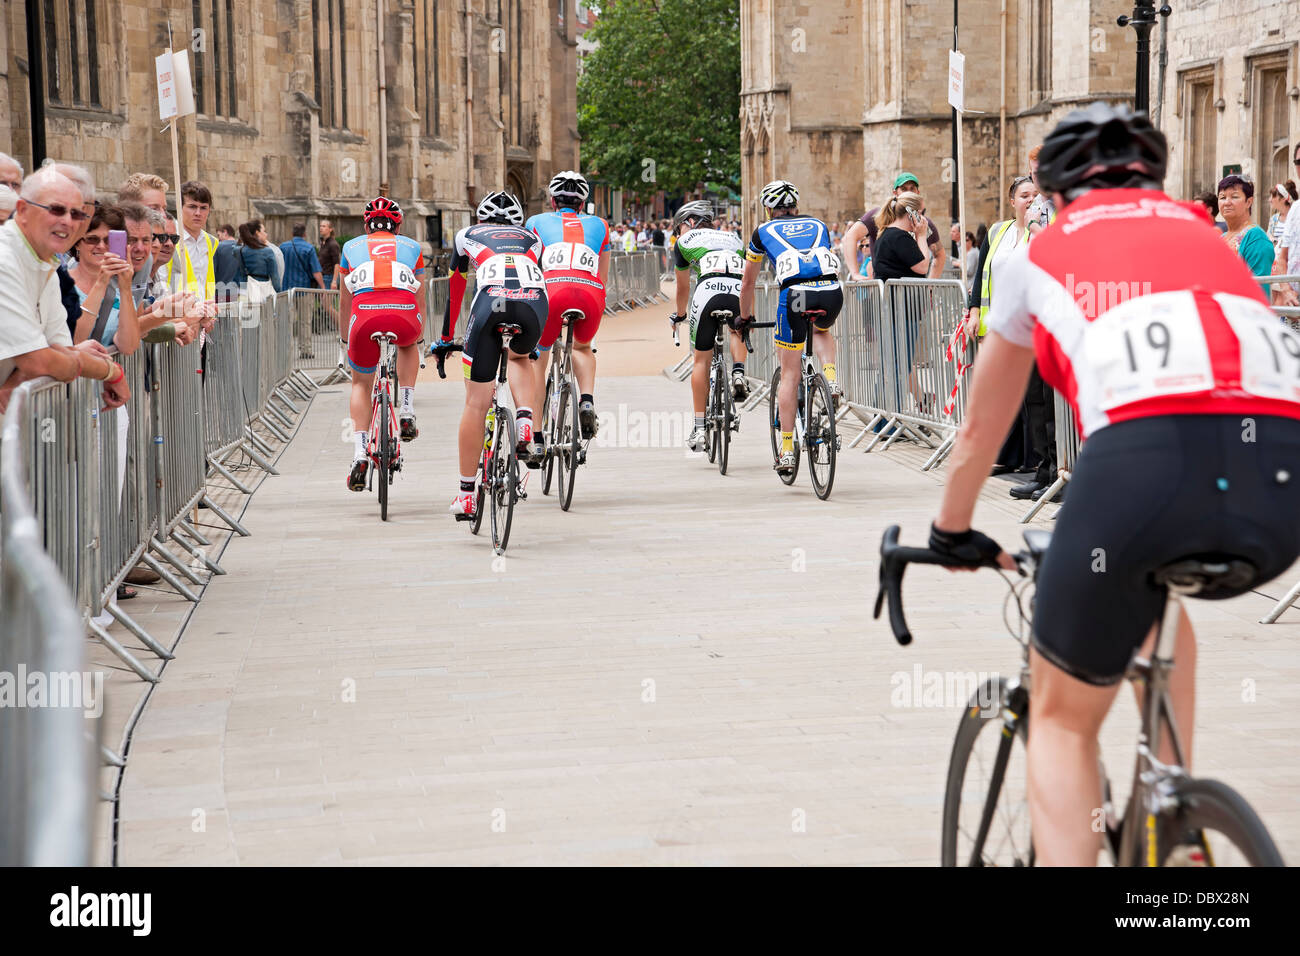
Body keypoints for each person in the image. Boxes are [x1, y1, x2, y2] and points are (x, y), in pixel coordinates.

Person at [927, 102, 1300, 867]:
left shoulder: (1042, 251)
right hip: (1282, 476)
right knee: (1159, 608)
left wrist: (950, 530)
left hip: (1143, 469)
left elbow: (979, 431)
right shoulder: (1211, 239)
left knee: (1062, 720)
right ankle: (1174, 816)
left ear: (1056, 195)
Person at [431, 192, 545, 519]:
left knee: (476, 403)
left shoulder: (467, 235)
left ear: (481, 220)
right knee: (521, 357)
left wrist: (444, 338)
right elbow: (540, 281)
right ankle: (525, 419)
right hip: (533, 302)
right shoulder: (532, 239)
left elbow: (455, 288)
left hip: (489, 303)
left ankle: (467, 495)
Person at [0, 167, 130, 415]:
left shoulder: (44, 264)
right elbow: (38, 361)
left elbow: (63, 348)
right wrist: (83, 366)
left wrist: (112, 372)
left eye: (77, 213)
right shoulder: (5, 259)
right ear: (23, 210)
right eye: (56, 209)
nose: (68, 221)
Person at [738, 179, 844, 476]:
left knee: (789, 374)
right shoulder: (819, 224)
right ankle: (832, 379)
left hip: (795, 294)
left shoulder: (762, 232)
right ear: (796, 205)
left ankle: (786, 451)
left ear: (769, 209)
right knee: (821, 330)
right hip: (832, 289)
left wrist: (744, 316)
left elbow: (748, 282)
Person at [337, 197, 426, 492]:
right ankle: (408, 410)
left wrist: (344, 339)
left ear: (366, 227)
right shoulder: (413, 248)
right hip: (403, 316)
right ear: (397, 227)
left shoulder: (350, 248)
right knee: (408, 343)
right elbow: (420, 297)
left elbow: (345, 300)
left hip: (364, 319)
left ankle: (360, 453)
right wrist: (420, 336)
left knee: (360, 384)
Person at [524, 170, 611, 454]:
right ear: (582, 204)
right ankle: (586, 399)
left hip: (552, 291)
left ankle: (536, 437)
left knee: (539, 356)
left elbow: (530, 271)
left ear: (552, 201)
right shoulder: (601, 225)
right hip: (589, 293)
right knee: (583, 348)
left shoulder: (535, 222)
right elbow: (604, 276)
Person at [967, 177, 1043, 485]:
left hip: (1027, 323)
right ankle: (1009, 456)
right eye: (1024, 195)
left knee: (1028, 392)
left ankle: (1033, 459)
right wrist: (973, 311)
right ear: (1012, 201)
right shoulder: (999, 231)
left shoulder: (1041, 230)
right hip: (997, 325)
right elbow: (982, 274)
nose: (1030, 200)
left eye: (1035, 195)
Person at [667, 200, 748, 452]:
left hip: (708, 290)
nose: (678, 234)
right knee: (737, 331)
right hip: (737, 290)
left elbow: (682, 287)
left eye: (678, 228)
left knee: (701, 359)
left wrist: (680, 315)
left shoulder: (684, 242)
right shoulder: (734, 238)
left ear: (689, 222)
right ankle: (738, 373)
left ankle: (700, 429)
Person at [840, 172, 947, 280]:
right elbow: (850, 237)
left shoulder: (922, 224)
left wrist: (929, 287)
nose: (908, 192)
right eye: (904, 189)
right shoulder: (880, 218)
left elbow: (940, 255)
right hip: (899, 291)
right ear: (895, 193)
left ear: (918, 192)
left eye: (912, 188)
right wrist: (855, 273)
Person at [67, 204, 140, 356]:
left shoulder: (121, 290)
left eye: (108, 241)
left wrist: (126, 288)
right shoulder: (61, 283)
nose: (101, 246)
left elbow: (129, 346)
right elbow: (75, 340)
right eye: (92, 239)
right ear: (78, 243)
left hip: (106, 377)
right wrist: (101, 283)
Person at [1217, 175, 1273, 277]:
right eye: (1222, 197)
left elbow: (1259, 285)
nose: (1227, 202)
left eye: (1234, 197)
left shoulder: (1256, 238)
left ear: (1249, 202)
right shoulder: (1222, 237)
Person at [176, 181, 217, 300]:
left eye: (203, 208)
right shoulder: (169, 239)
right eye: (192, 207)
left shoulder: (211, 242)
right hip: (175, 312)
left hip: (204, 311)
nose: (198, 213)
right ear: (180, 207)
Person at [235, 220, 282, 297]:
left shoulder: (239, 251)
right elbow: (275, 277)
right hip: (263, 291)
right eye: (264, 231)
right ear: (257, 233)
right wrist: (279, 293)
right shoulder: (267, 251)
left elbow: (242, 274)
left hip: (246, 291)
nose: (266, 234)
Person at [280, 223, 324, 291]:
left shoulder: (283, 247)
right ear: (304, 234)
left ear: (292, 233)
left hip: (285, 290)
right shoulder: (309, 248)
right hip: (303, 289)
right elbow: (316, 272)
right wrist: (323, 287)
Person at [1267, 182, 1295, 249]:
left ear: (1283, 199)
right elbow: (1268, 241)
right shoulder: (1273, 219)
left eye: (1273, 196)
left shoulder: (1296, 218)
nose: (1269, 200)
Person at [318, 219, 341, 289]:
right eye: (320, 226)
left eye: (324, 226)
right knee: (321, 299)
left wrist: (334, 281)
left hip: (329, 277)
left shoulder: (333, 244)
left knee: (327, 300)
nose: (321, 228)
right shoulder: (322, 242)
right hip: (322, 276)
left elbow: (337, 264)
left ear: (330, 229)